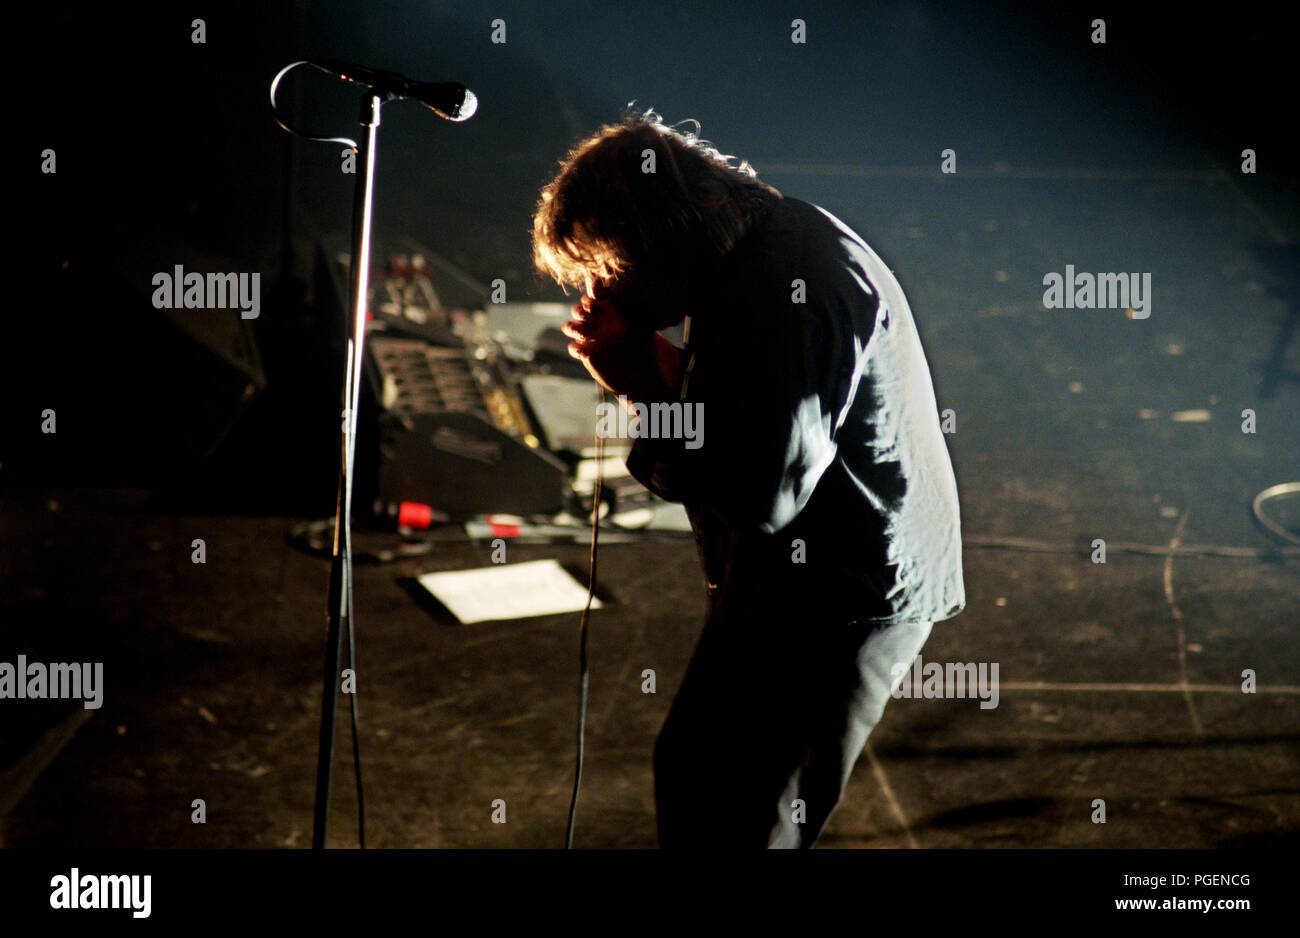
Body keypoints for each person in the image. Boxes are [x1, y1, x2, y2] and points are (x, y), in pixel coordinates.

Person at [532, 113, 965, 848]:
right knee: (695, 770)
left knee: (742, 818)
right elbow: (747, 404)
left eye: (607, 271)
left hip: (840, 593)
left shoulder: (783, 287)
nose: (603, 293)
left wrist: (642, 389)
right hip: (797, 575)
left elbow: (762, 489)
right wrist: (661, 372)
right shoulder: (757, 248)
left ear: (657, 241)